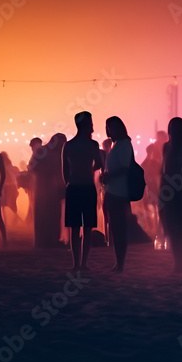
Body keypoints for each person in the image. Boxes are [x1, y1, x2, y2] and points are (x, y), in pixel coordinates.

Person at [62, 112, 103, 270]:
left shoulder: (69, 145)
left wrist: (70, 182)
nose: (92, 126)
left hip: (73, 187)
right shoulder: (93, 145)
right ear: (85, 125)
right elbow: (99, 164)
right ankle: (83, 263)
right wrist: (89, 170)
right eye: (90, 123)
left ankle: (76, 264)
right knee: (87, 228)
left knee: (74, 228)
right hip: (87, 187)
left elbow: (65, 170)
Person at [159, 117, 182, 273]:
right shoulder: (170, 147)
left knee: (180, 229)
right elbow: (163, 170)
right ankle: (179, 262)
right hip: (170, 191)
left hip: (179, 192)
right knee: (173, 228)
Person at [102, 116, 133, 272]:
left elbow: (125, 168)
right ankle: (118, 262)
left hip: (119, 192)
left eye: (112, 127)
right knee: (115, 228)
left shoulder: (124, 144)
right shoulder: (118, 145)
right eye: (108, 128)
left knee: (119, 228)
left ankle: (120, 263)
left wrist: (109, 176)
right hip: (113, 191)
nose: (110, 130)